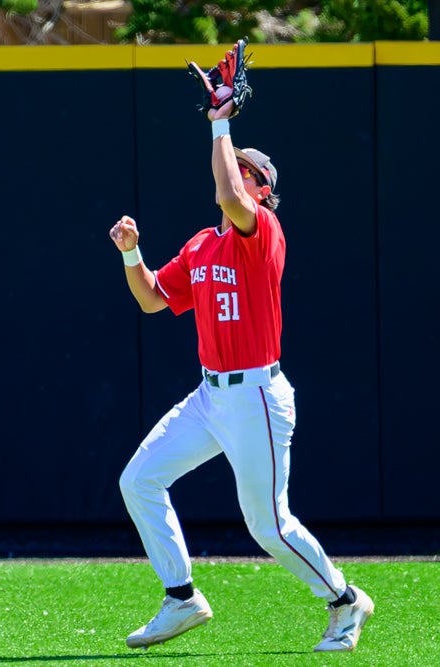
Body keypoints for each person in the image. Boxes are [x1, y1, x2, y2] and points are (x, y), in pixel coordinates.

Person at [108, 97, 374, 653]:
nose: (236, 175)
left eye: (247, 171)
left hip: (257, 395)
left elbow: (229, 195)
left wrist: (220, 124)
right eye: (238, 165)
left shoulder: (263, 232)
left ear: (262, 190)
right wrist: (132, 255)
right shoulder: (202, 244)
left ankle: (345, 600)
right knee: (139, 480)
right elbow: (153, 299)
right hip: (211, 396)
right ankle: (181, 597)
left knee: (268, 526)